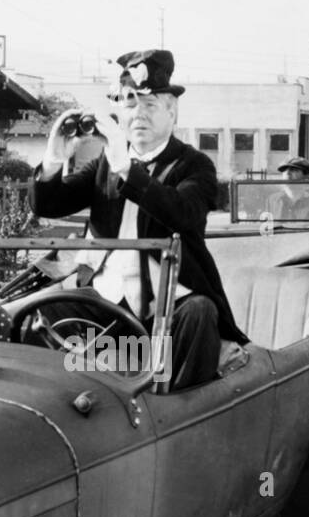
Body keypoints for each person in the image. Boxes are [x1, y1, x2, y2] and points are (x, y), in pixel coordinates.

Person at [31, 49, 246, 390]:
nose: (139, 116)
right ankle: (87, 399)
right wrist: (55, 158)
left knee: (201, 313)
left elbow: (182, 213)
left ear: (171, 112)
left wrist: (126, 169)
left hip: (169, 304)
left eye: (150, 106)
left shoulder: (194, 165)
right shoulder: (105, 162)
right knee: (44, 309)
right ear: (119, 113)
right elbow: (49, 204)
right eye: (131, 106)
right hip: (109, 301)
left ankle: (177, 410)